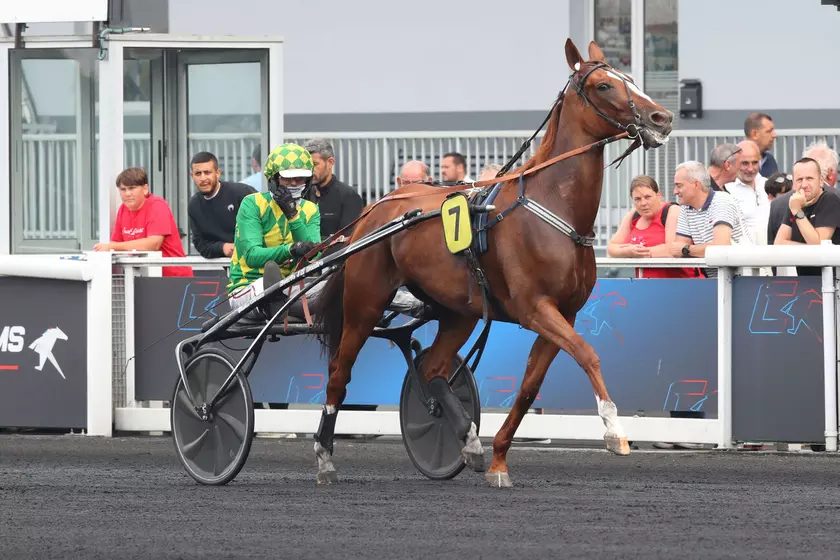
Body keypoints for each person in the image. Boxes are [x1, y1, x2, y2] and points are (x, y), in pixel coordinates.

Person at [226, 143, 321, 317]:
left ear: (308, 181)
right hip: (249, 286)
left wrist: (292, 215)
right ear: (273, 179)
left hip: (291, 289)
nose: (293, 183)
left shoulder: (311, 210)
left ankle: (286, 306)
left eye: (300, 178)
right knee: (266, 286)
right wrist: (290, 250)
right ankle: (285, 306)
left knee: (332, 286)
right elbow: (252, 256)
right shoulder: (252, 203)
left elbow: (313, 256)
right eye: (287, 179)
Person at [94, 167, 192, 277]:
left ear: (145, 189)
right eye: (123, 189)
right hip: (142, 279)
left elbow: (153, 244)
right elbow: (115, 243)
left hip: (173, 277)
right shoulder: (123, 210)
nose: (127, 194)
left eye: (132, 188)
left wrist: (112, 247)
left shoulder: (157, 205)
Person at [670, 161, 751, 278]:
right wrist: (686, 249)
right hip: (717, 280)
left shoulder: (722, 201)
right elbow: (677, 249)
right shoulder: (685, 207)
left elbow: (721, 247)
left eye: (679, 185)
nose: (675, 191)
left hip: (742, 280)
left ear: (696, 184)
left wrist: (687, 250)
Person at [607, 175, 698, 278]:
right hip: (646, 286)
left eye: (647, 197)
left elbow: (673, 249)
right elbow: (611, 247)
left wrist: (639, 253)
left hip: (683, 284)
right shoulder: (633, 215)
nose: (643, 203)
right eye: (637, 199)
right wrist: (628, 251)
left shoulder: (672, 211)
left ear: (659, 195)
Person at [774, 157, 840, 276]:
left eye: (809, 178)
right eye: (799, 179)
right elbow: (779, 244)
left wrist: (798, 212)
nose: (804, 184)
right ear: (793, 184)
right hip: (806, 283)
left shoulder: (829, 200)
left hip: (832, 285)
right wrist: (808, 248)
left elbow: (819, 246)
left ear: (820, 181)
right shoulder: (796, 203)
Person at [187, 151, 257, 259]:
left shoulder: (242, 193)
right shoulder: (194, 205)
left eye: (207, 172)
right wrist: (223, 248)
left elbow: (265, 224)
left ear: (218, 173)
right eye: (198, 173)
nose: (203, 178)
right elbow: (200, 244)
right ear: (192, 176)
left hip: (255, 261)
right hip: (219, 267)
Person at [301, 139, 364, 241]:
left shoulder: (348, 196)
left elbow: (350, 239)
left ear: (330, 163)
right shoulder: (302, 194)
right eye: (306, 165)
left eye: (314, 164)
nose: (309, 169)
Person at [744, 112, 778, 177]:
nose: (774, 135)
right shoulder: (734, 161)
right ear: (754, 134)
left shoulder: (770, 160)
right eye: (769, 131)